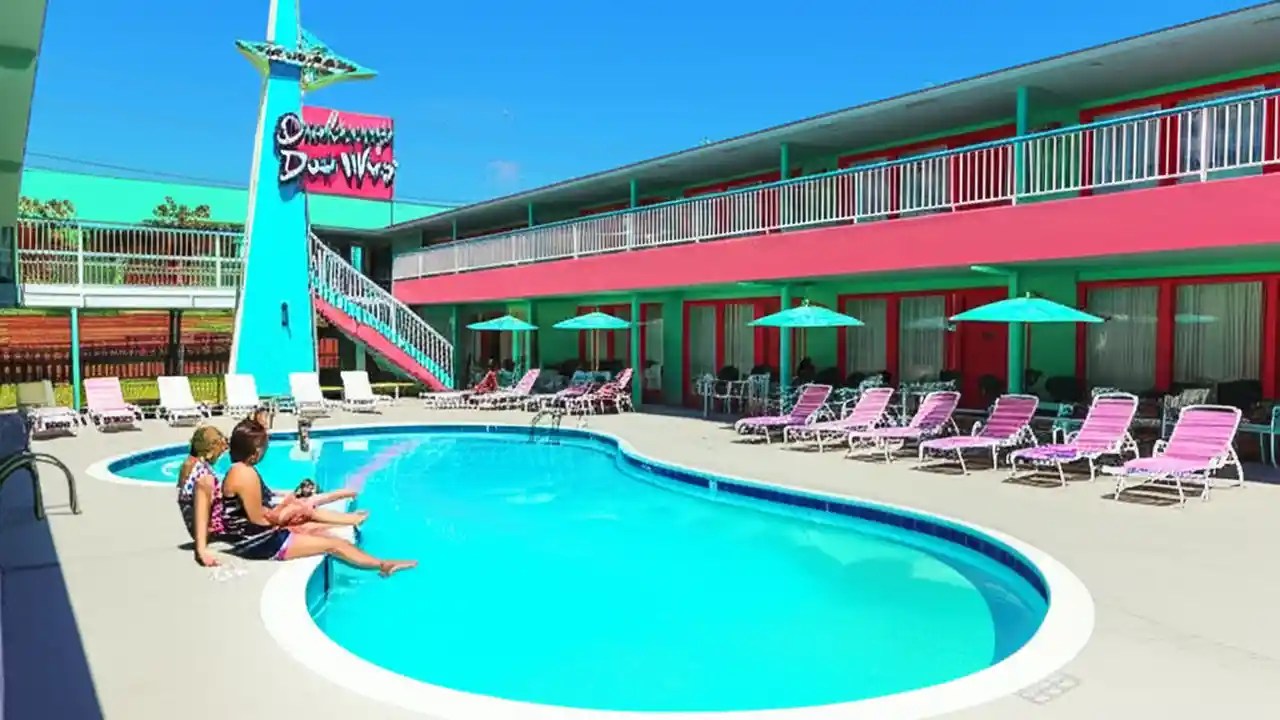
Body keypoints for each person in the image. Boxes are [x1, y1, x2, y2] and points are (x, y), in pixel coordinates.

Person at [220, 419, 415, 576]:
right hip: (257, 544)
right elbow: (259, 520)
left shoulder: (239, 470)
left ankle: (360, 538)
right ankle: (383, 565)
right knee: (335, 544)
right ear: (255, 453)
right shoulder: (245, 474)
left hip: (250, 536)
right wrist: (286, 511)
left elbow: (255, 512)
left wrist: (285, 512)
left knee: (314, 526)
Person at [177, 425, 229, 568]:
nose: (221, 454)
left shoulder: (190, 465)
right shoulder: (203, 476)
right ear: (211, 449)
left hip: (208, 526)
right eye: (220, 450)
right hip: (212, 529)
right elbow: (202, 506)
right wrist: (201, 550)